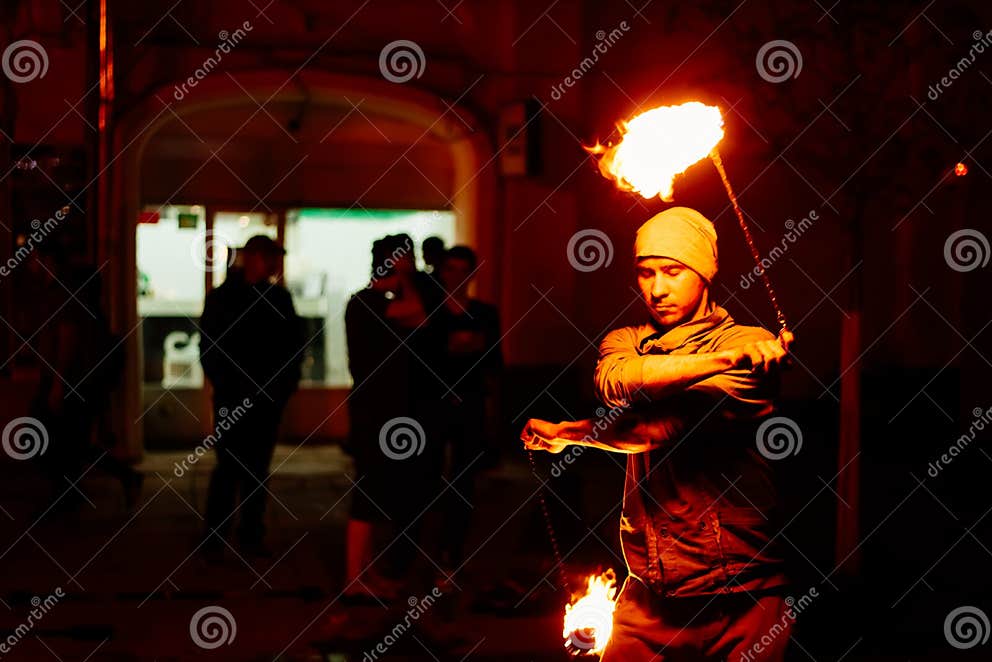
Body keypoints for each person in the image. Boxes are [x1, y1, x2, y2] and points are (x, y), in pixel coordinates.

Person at [521, 207, 796, 661]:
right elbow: (617, 381)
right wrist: (724, 361)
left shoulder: (749, 340)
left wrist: (569, 433)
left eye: (673, 271)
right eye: (646, 273)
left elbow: (654, 429)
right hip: (650, 597)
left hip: (742, 596)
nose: (657, 288)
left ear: (705, 273)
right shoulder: (632, 341)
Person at [342, 234, 438, 602]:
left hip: (394, 409)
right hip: (373, 409)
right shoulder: (366, 302)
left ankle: (364, 573)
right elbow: (414, 314)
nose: (411, 264)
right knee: (368, 489)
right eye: (404, 258)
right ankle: (353, 577)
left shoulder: (383, 301)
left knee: (377, 490)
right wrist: (405, 278)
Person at [199, 234, 302, 559]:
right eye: (271, 258)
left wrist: (280, 388)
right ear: (256, 258)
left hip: (255, 397)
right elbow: (212, 349)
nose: (275, 265)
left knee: (247, 468)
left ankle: (238, 534)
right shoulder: (238, 299)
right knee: (236, 467)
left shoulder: (265, 298)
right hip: (243, 397)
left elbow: (293, 348)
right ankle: (234, 535)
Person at [431, 246, 502, 575]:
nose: (456, 276)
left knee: (463, 480)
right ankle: (425, 547)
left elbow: (493, 364)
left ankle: (451, 548)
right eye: (450, 268)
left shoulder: (485, 314)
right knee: (428, 477)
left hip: (470, 404)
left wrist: (493, 411)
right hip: (432, 406)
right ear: (442, 271)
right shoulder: (430, 312)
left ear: (472, 274)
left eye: (463, 269)